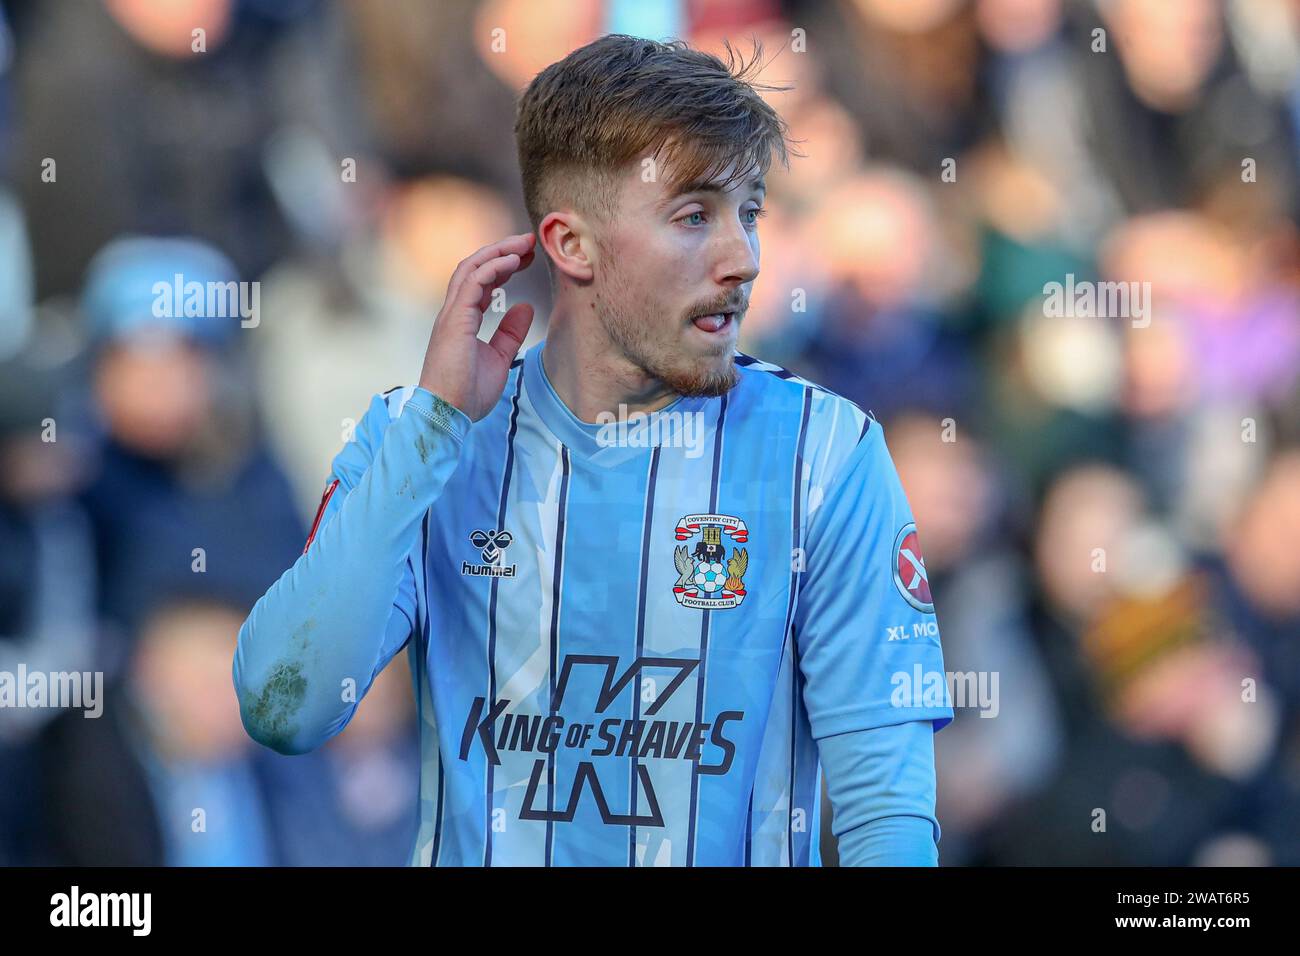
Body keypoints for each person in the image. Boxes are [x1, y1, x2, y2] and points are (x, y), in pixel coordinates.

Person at [234, 34, 952, 867]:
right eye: (694, 216)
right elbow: (286, 708)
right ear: (571, 244)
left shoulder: (826, 455)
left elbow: (888, 817)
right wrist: (434, 427)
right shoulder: (419, 441)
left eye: (749, 213)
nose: (743, 259)